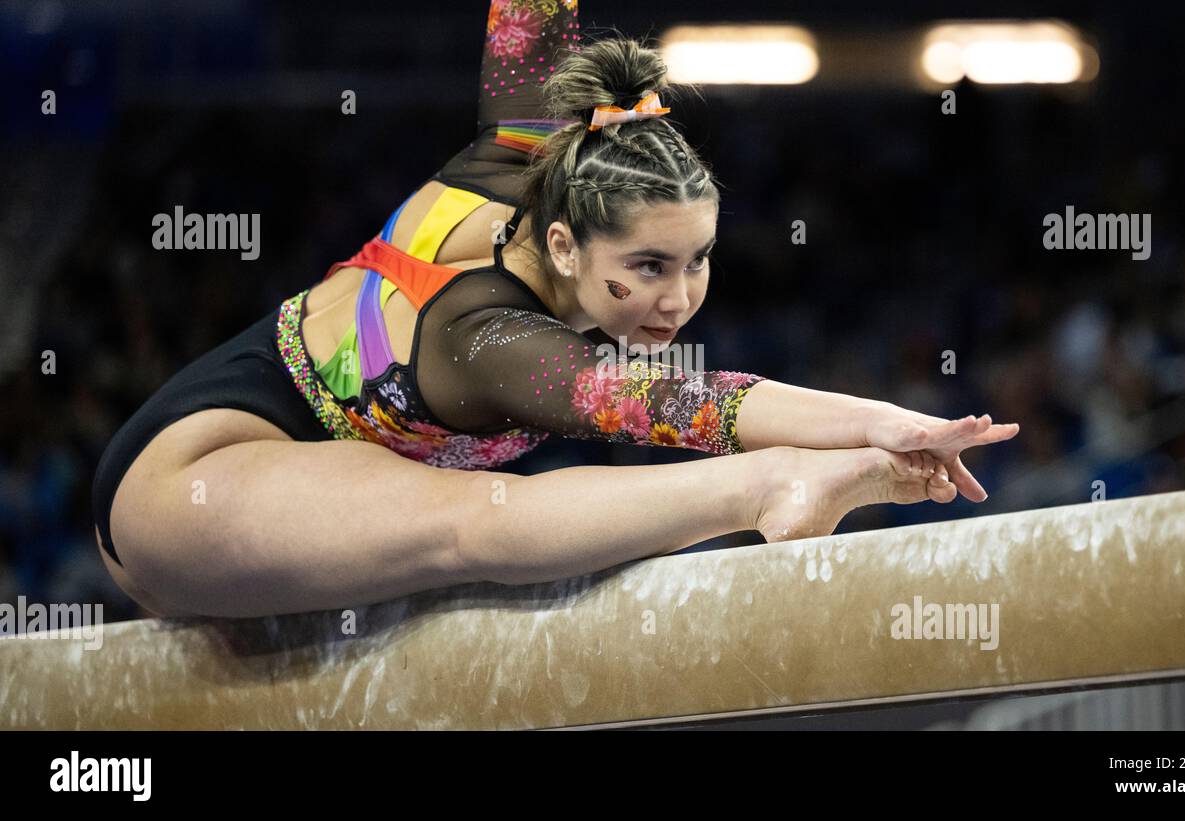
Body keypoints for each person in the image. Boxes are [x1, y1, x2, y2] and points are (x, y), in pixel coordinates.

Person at [91, 1, 1018, 618]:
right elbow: (684, 404)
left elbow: (532, 11)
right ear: (567, 246)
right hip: (186, 483)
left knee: (457, 532)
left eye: (697, 261)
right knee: (477, 524)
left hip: (318, 490)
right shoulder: (484, 335)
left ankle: (779, 476)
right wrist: (855, 430)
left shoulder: (537, 149)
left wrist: (891, 427)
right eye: (648, 266)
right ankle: (764, 488)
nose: (678, 299)